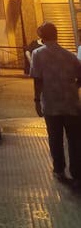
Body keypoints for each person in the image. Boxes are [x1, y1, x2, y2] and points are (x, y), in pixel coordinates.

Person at [29, 21, 81, 186]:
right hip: (71, 103)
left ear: (42, 37)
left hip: (51, 104)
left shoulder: (37, 54)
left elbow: (37, 80)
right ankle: (77, 172)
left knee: (55, 138)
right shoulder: (70, 55)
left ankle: (59, 169)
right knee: (74, 140)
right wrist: (72, 86)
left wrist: (37, 100)